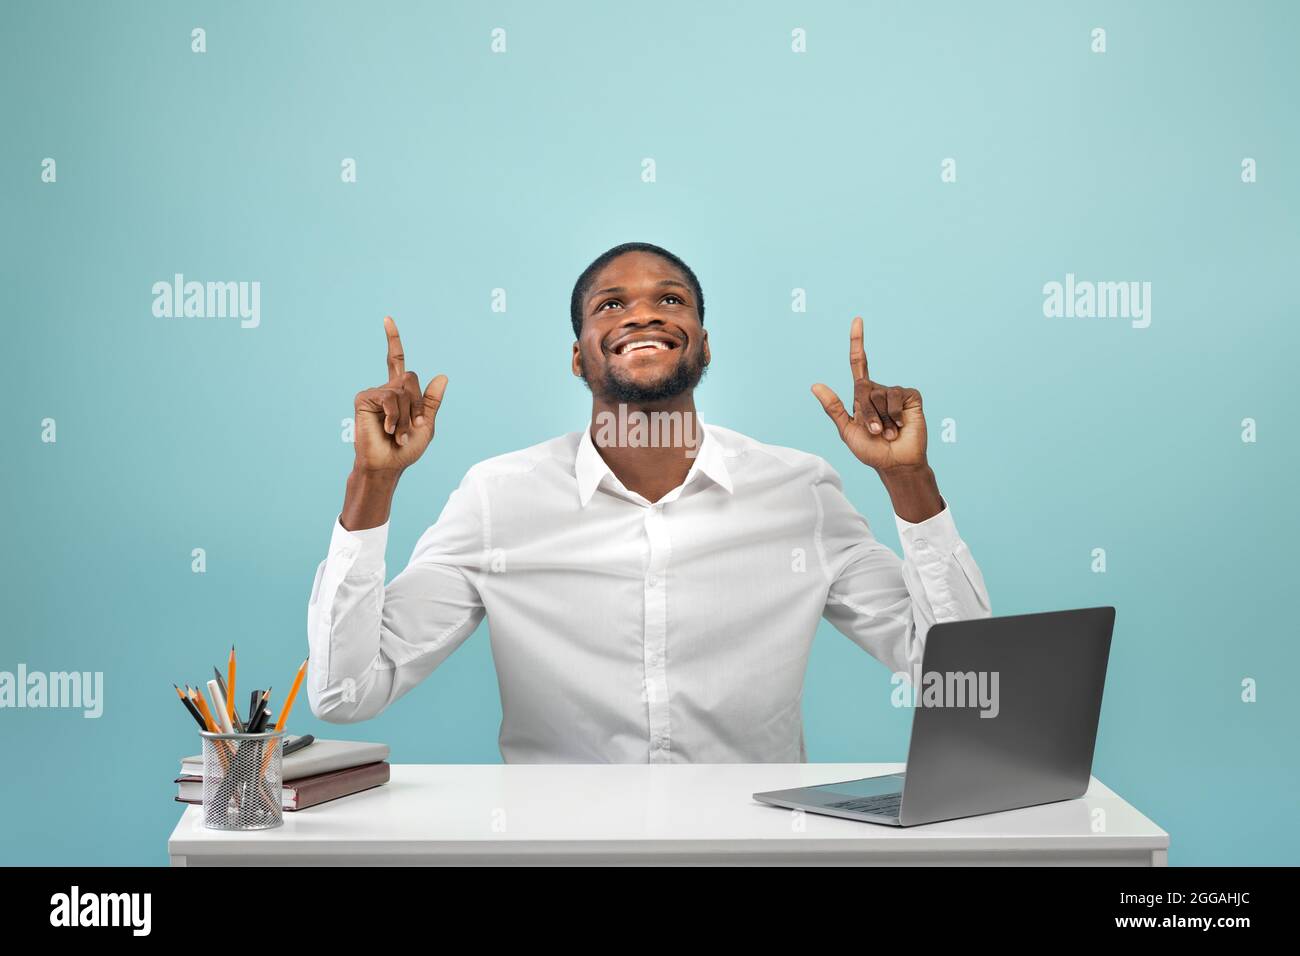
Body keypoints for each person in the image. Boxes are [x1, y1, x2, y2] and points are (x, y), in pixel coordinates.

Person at [306, 241, 991, 762]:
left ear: (704, 344)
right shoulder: (499, 498)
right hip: (564, 857)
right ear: (579, 357)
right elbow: (346, 692)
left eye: (670, 300)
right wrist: (374, 482)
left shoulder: (799, 492)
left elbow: (964, 677)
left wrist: (909, 481)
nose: (641, 313)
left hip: (754, 859)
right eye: (611, 304)